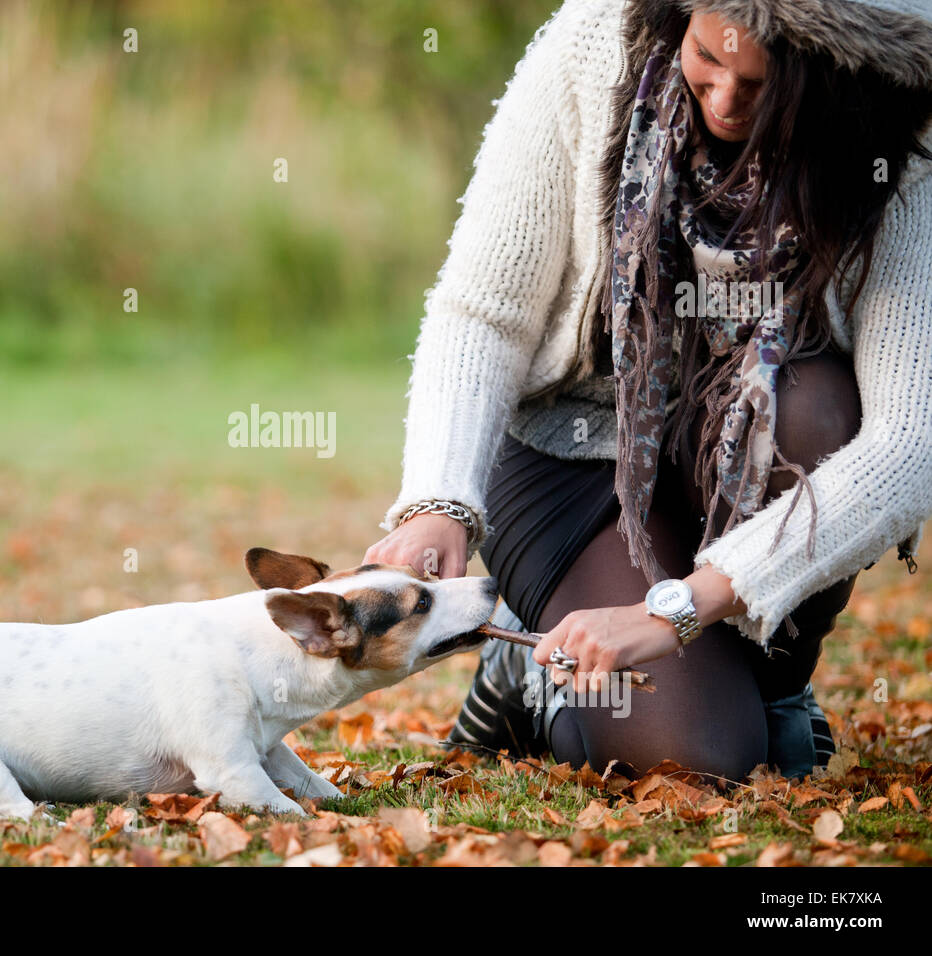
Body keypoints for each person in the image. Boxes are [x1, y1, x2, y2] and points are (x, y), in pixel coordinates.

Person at [363, 0, 932, 782]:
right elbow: (484, 312)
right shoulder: (597, 43)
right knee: (697, 762)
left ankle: (772, 686)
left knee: (817, 409)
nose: (726, 99)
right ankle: (532, 679)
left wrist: (675, 610)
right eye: (708, 57)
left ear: (835, 76)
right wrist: (439, 500)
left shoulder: (897, 136)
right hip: (572, 454)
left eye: (763, 85)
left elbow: (911, 443)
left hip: (755, 447)